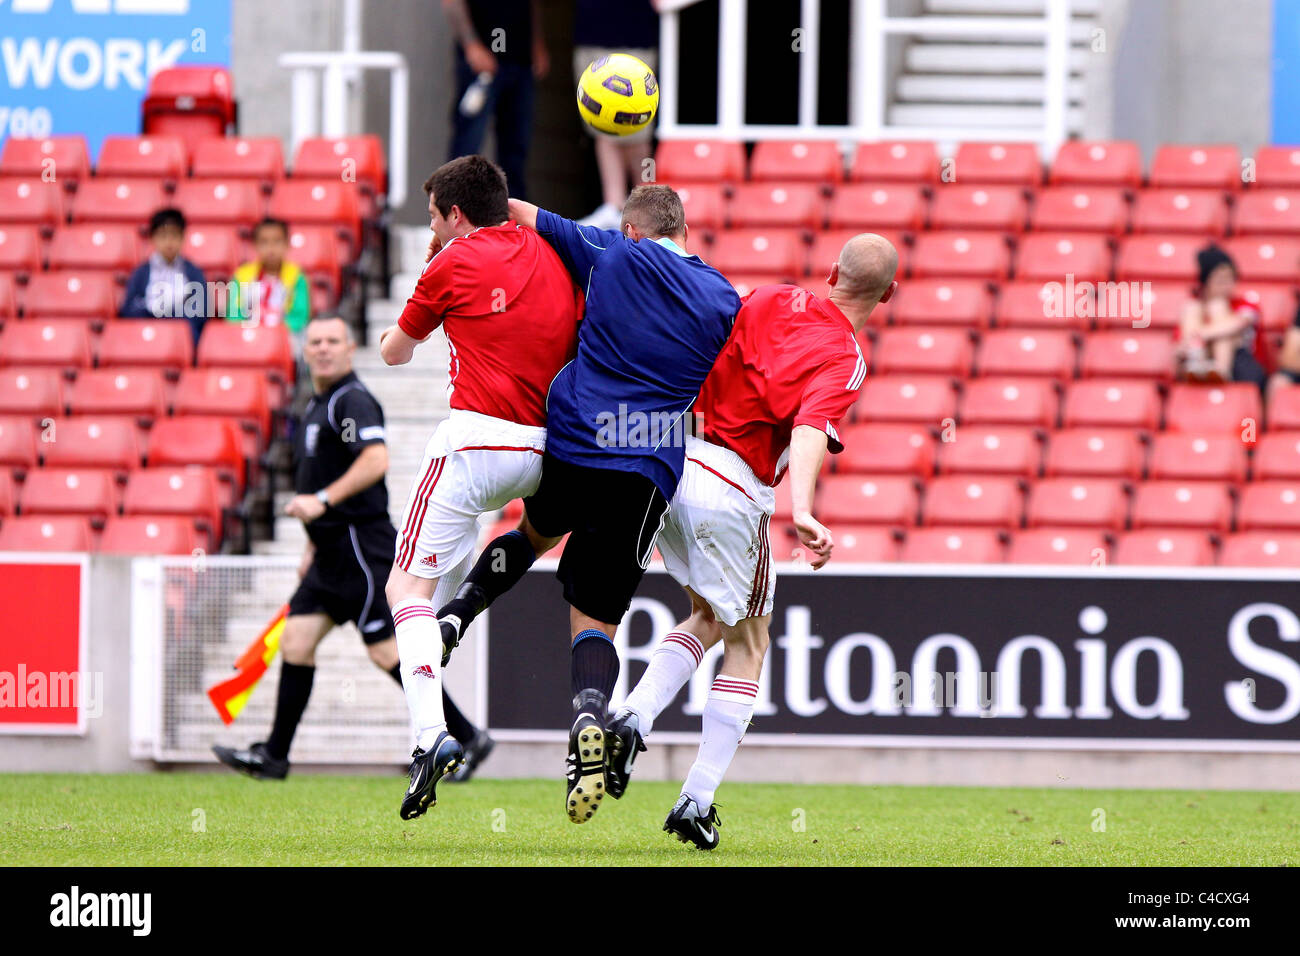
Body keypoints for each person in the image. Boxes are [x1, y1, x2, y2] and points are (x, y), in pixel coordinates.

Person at [432, 184, 741, 824]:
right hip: (647, 464)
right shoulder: (723, 299)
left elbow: (513, 212)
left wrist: (451, 235)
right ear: (682, 231)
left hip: (578, 436)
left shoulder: (611, 251)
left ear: (632, 229)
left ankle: (456, 616)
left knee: (535, 533)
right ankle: (589, 714)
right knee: (595, 618)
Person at [607, 236, 898, 850]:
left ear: (830, 273)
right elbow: (811, 427)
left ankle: (633, 713)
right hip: (733, 485)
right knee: (753, 639)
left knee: (708, 614)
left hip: (673, 463)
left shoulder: (767, 298)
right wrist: (804, 510)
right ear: (888, 294)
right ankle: (696, 798)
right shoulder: (845, 356)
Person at [378, 155, 582, 821]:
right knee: (507, 542)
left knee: (406, 590)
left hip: (476, 443)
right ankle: (461, 622)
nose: (433, 227)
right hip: (549, 451)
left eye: (435, 215)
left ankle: (429, 735)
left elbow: (393, 352)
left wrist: (432, 267)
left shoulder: (451, 263)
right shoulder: (554, 252)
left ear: (454, 216)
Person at [212, 317, 488, 780]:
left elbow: (376, 460)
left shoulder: (352, 399)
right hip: (327, 554)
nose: (322, 349)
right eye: (315, 341)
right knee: (296, 642)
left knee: (386, 652)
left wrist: (321, 502)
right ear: (305, 351)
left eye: (332, 342)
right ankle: (275, 758)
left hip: (361, 548)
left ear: (350, 347)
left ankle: (464, 737)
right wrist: (309, 546)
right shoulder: (316, 404)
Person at [443, 0, 549, 200]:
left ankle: (513, 223)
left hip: (520, 61)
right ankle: (451, 214)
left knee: (516, 149)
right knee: (468, 143)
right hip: (482, 64)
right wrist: (471, 44)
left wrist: (536, 43)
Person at [573, 0, 660, 229]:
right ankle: (614, 206)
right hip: (591, 32)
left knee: (637, 130)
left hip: (633, 36)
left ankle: (648, 208)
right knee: (603, 125)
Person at [1176, 244, 1269, 389]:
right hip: (1200, 359)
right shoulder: (1195, 308)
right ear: (1205, 282)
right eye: (1220, 280)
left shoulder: (1246, 304)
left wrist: (1198, 335)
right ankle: (1198, 366)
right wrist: (1184, 348)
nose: (1227, 286)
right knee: (1192, 308)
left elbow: (1238, 323)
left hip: (1242, 366)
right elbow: (1180, 347)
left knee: (1217, 308)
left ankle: (1221, 370)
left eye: (1230, 279)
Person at [121, 207, 209, 347]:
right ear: (152, 238)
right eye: (163, 236)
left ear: (183, 237)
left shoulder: (194, 273)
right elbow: (128, 311)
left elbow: (200, 313)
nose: (169, 242)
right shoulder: (140, 273)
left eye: (174, 235)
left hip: (180, 342)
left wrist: (165, 314)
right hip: (145, 338)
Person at [231, 217, 311, 333]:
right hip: (249, 335)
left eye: (277, 241)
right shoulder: (241, 276)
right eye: (264, 242)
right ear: (255, 245)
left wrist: (274, 332)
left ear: (287, 244)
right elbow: (233, 316)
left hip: (285, 337)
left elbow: (299, 318)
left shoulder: (296, 277)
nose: (271, 248)